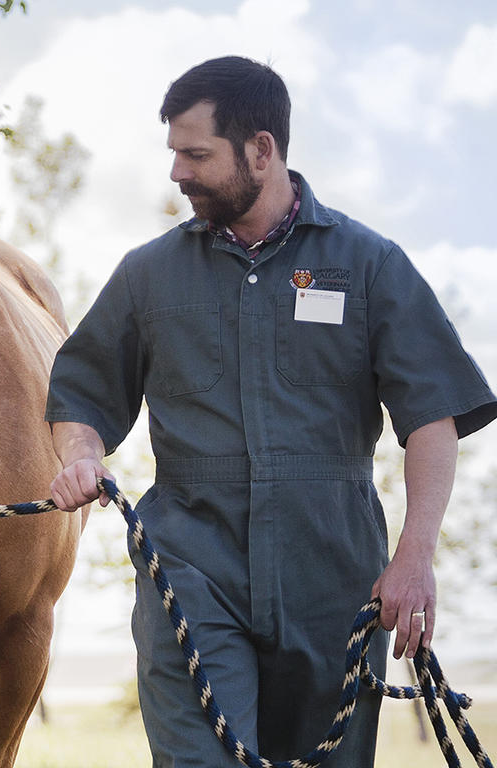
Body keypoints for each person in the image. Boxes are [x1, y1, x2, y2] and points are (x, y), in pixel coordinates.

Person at [45, 56, 497, 768]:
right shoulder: (146, 274)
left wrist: (414, 558)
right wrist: (78, 453)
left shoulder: (370, 264)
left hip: (335, 579)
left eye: (196, 155)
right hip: (190, 572)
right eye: (174, 154)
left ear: (262, 149)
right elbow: (80, 394)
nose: (177, 174)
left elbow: (432, 418)